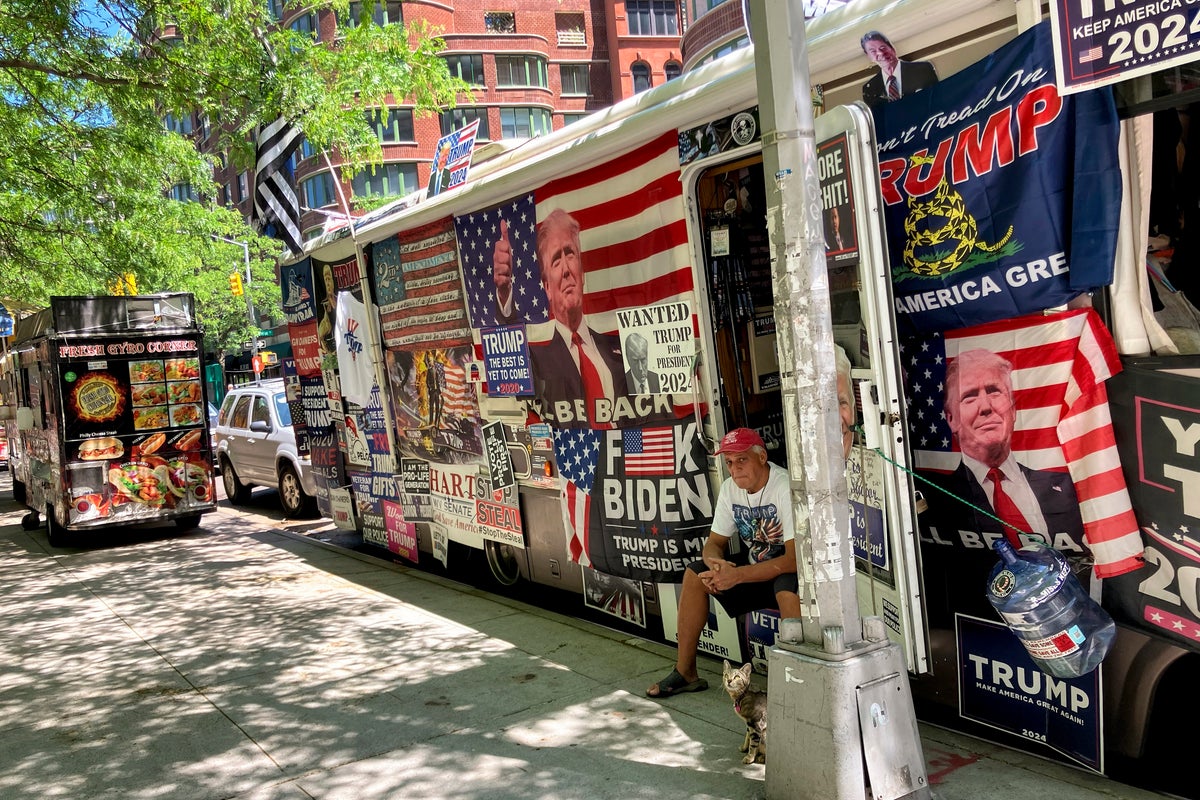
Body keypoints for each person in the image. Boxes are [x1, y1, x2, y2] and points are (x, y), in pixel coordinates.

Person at [647, 349, 856, 698]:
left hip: (784, 572)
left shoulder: (783, 485)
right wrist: (716, 563)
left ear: (761, 457)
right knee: (695, 575)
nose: (734, 469)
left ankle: (801, 681)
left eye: (741, 460)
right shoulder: (732, 488)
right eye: (729, 462)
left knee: (788, 587)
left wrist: (737, 575)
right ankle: (686, 672)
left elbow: (793, 560)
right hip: (752, 571)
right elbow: (714, 542)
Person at [936, 349, 1084, 546]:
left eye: (994, 391)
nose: (986, 407)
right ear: (951, 419)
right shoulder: (935, 498)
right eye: (970, 397)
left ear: (1013, 410)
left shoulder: (1067, 486)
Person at [493, 208, 627, 424]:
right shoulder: (537, 360)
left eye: (570, 254)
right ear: (547, 287)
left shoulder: (618, 348)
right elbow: (509, 352)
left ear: (582, 274)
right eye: (556, 260)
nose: (566, 269)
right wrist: (504, 294)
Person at [860, 31, 938, 107]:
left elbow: (937, 102)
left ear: (892, 48)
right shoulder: (870, 89)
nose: (880, 53)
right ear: (869, 57)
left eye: (882, 48)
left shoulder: (922, 69)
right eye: (873, 51)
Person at [316, 262, 337, 356]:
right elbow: (321, 335)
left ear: (332, 281)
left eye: (329, 279)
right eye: (325, 279)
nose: (328, 283)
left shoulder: (340, 299)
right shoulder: (324, 305)